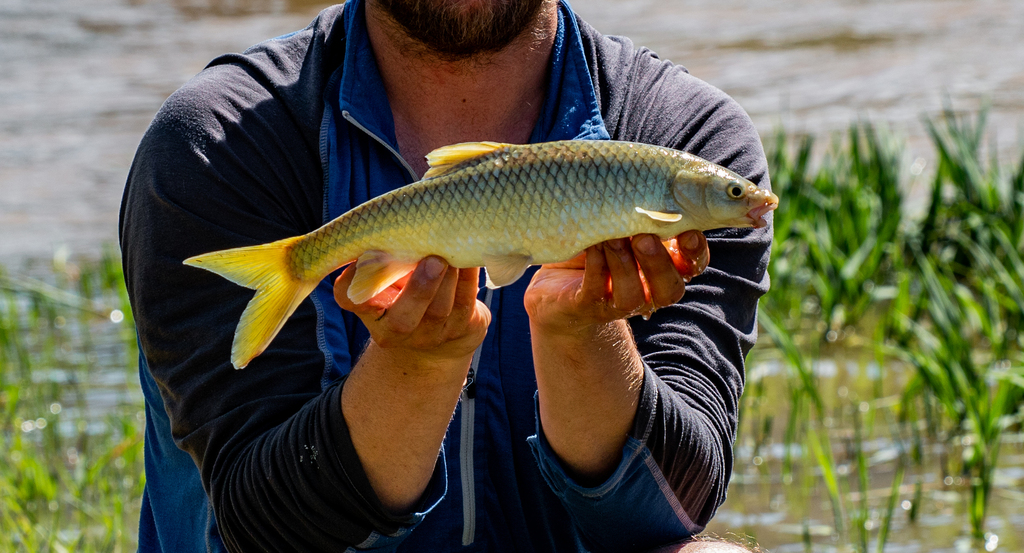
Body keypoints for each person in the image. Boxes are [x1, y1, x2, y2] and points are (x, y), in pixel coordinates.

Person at [119, 0, 772, 551]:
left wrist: (582, 334)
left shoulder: (690, 134)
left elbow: (672, 512)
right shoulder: (215, 143)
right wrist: (416, 363)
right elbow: (261, 529)